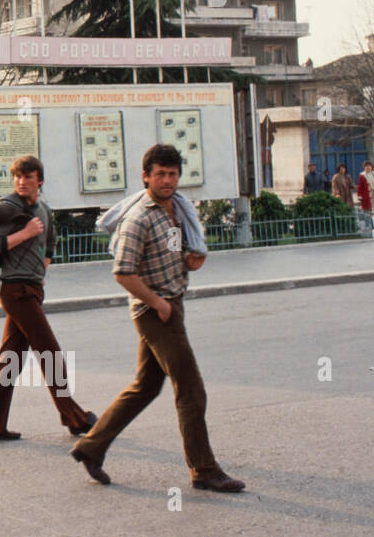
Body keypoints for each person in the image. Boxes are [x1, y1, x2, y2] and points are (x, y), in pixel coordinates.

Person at [70, 144, 244, 493]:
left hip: (171, 304)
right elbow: (123, 273)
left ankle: (91, 446)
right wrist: (158, 304)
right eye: (160, 174)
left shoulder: (175, 211)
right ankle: (204, 470)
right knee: (191, 390)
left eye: (173, 174)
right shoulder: (140, 218)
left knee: (145, 387)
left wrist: (189, 261)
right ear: (145, 176)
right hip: (155, 313)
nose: (167, 180)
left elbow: (169, 254)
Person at [0, 156, 96, 440]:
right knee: (50, 353)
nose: (21, 182)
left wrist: (42, 266)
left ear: (39, 180)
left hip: (33, 288)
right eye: (17, 177)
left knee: (10, 358)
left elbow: (50, 241)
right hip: (15, 291)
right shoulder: (9, 210)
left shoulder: (44, 210)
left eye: (27, 177)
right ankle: (74, 417)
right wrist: (24, 234)